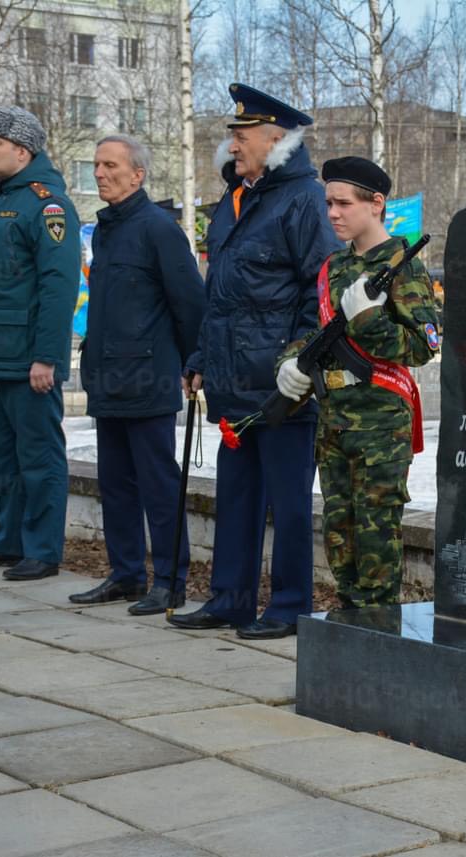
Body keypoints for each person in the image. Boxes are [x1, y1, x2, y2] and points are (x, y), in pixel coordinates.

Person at [168, 83, 342, 637]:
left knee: (289, 504)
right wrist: (198, 356)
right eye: (233, 135)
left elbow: (323, 292)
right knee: (236, 498)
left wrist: (301, 366)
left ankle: (289, 606)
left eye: (242, 135)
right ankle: (230, 599)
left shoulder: (304, 200)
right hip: (231, 381)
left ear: (276, 139)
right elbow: (218, 292)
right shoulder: (235, 199)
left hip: (282, 386)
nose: (233, 144)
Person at [276, 157, 439, 609]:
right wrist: (292, 362)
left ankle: (378, 630)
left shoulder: (403, 266)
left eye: (343, 203)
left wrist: (369, 322)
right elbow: (321, 333)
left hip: (381, 426)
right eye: (328, 203)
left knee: (375, 536)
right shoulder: (333, 267)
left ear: (376, 204)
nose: (333, 213)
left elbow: (423, 347)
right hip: (334, 422)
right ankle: (349, 624)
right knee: (339, 532)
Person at [68, 135, 206, 614]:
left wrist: (196, 362)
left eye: (110, 166)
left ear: (138, 174)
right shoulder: (104, 230)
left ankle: (170, 582)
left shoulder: (159, 229)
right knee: (116, 485)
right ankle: (125, 574)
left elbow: (189, 303)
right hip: (107, 378)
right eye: (96, 165)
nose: (100, 173)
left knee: (159, 486)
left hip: (148, 378)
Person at [0, 107, 80, 581]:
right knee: (2, 456)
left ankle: (43, 549)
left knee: (39, 455)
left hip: (28, 359)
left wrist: (47, 356)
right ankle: (8, 540)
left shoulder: (47, 205)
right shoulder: (3, 199)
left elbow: (59, 285)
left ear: (22, 152)